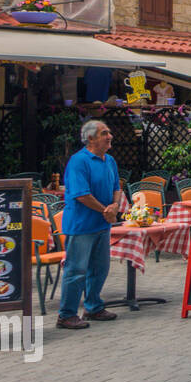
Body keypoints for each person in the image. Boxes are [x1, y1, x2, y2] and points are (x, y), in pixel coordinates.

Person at [57, 120, 123, 329]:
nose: (110, 136)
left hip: (102, 225)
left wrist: (114, 205)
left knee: (100, 268)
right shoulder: (79, 161)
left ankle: (93, 306)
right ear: (91, 138)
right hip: (82, 225)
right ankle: (66, 315)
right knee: (76, 270)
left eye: (109, 132)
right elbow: (81, 194)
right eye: (104, 133)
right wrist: (106, 210)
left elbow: (117, 187)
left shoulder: (109, 160)